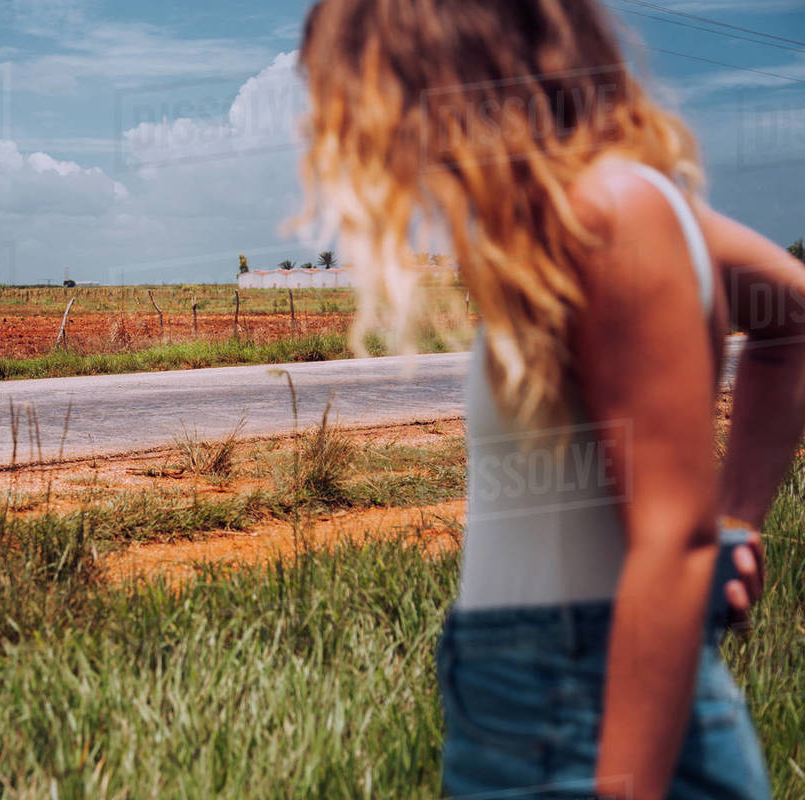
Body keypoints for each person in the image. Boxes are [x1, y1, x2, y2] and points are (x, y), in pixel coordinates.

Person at [296, 1, 805, 798]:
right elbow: (795, 320)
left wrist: (721, 529)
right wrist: (738, 520)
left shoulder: (612, 214)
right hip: (531, 705)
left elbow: (671, 539)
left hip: (585, 711)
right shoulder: (597, 214)